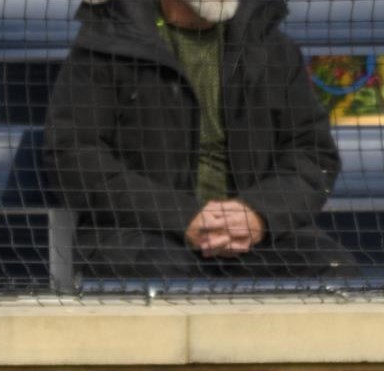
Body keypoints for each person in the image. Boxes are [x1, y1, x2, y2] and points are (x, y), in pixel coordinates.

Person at [45, 0, 358, 281]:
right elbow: (72, 156)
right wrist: (182, 216)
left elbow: (313, 156)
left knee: (328, 266)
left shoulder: (272, 47)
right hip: (139, 233)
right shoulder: (107, 43)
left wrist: (258, 214)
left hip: (254, 239)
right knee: (166, 273)